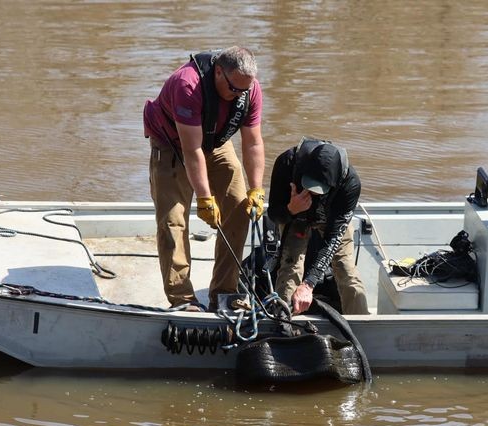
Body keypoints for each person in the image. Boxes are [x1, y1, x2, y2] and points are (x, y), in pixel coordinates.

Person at [143, 46, 266, 311]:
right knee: (173, 220)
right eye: (234, 90)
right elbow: (192, 150)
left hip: (216, 140)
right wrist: (205, 198)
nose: (239, 96)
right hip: (172, 143)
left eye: (245, 91)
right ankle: (183, 299)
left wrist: (257, 189)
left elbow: (253, 142)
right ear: (219, 73)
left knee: (238, 206)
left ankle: (224, 293)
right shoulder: (187, 85)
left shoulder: (249, 88)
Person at [267, 138, 369, 315]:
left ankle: (359, 328)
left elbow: (332, 241)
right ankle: (284, 323)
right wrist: (291, 209)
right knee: (290, 266)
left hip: (332, 219)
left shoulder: (350, 183)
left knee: (347, 272)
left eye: (319, 189)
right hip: (296, 216)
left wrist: (308, 285)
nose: (313, 192)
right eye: (309, 186)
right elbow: (274, 215)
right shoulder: (286, 163)